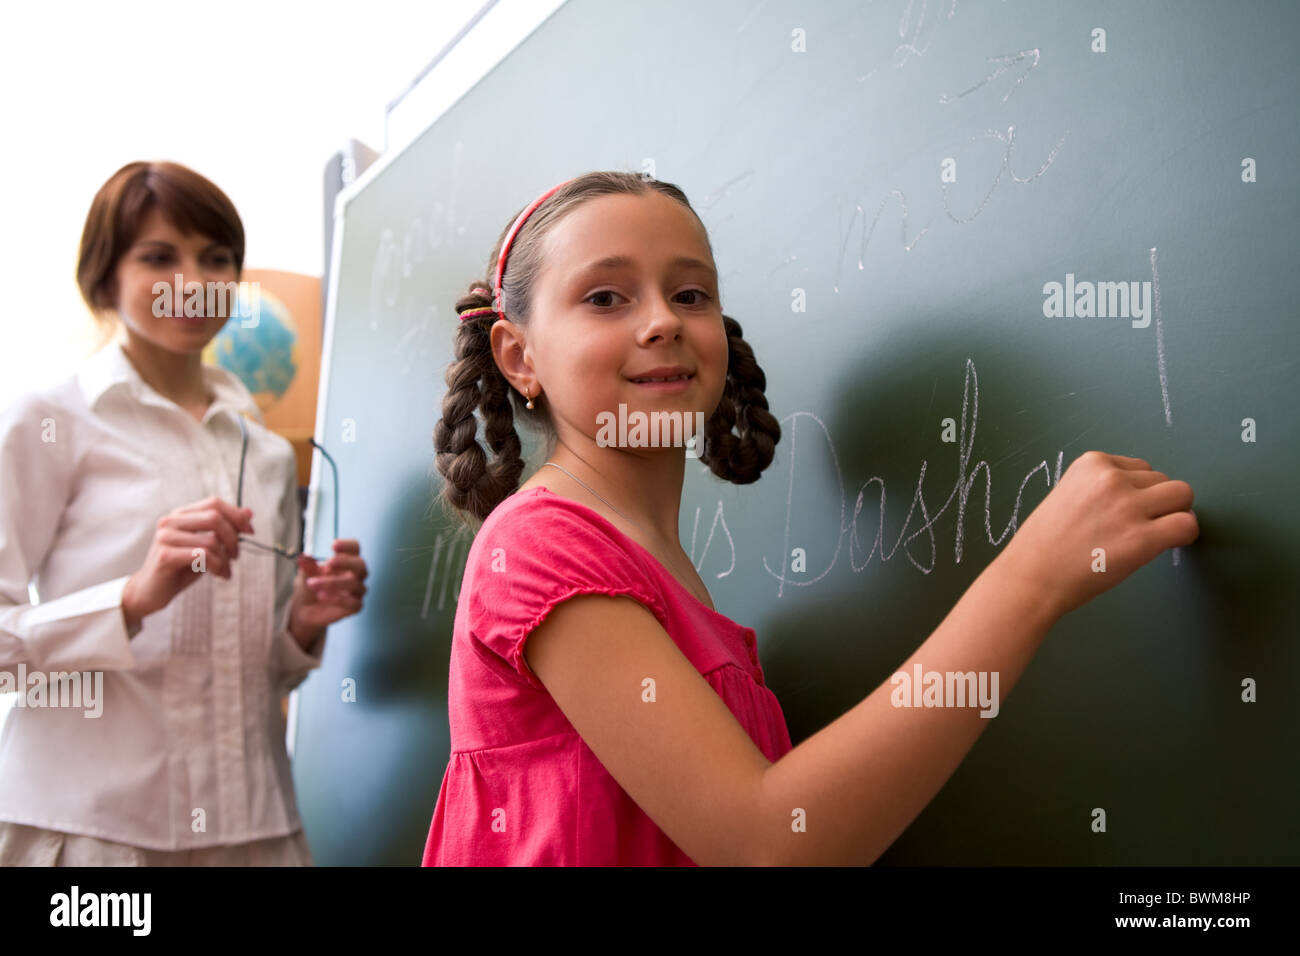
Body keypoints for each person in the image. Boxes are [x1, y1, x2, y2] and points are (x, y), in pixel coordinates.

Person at [421, 171, 1198, 866]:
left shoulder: (658, 566)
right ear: (518, 356)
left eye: (691, 294)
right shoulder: (538, 544)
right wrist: (1034, 580)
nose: (662, 320)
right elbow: (767, 842)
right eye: (605, 297)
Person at [0, 160, 367, 865]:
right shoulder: (47, 420)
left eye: (217, 259)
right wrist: (132, 600)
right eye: (159, 257)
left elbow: (256, 670)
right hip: (92, 837)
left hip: (255, 833)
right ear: (107, 278)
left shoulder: (260, 449)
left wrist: (299, 626)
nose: (194, 283)